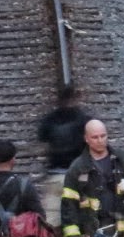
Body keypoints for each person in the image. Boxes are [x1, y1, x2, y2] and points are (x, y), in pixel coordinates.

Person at [35, 87, 89, 227]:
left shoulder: (50, 119)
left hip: (55, 175)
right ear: (77, 98)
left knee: (52, 222)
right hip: (79, 176)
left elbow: (42, 139)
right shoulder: (84, 119)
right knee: (84, 218)